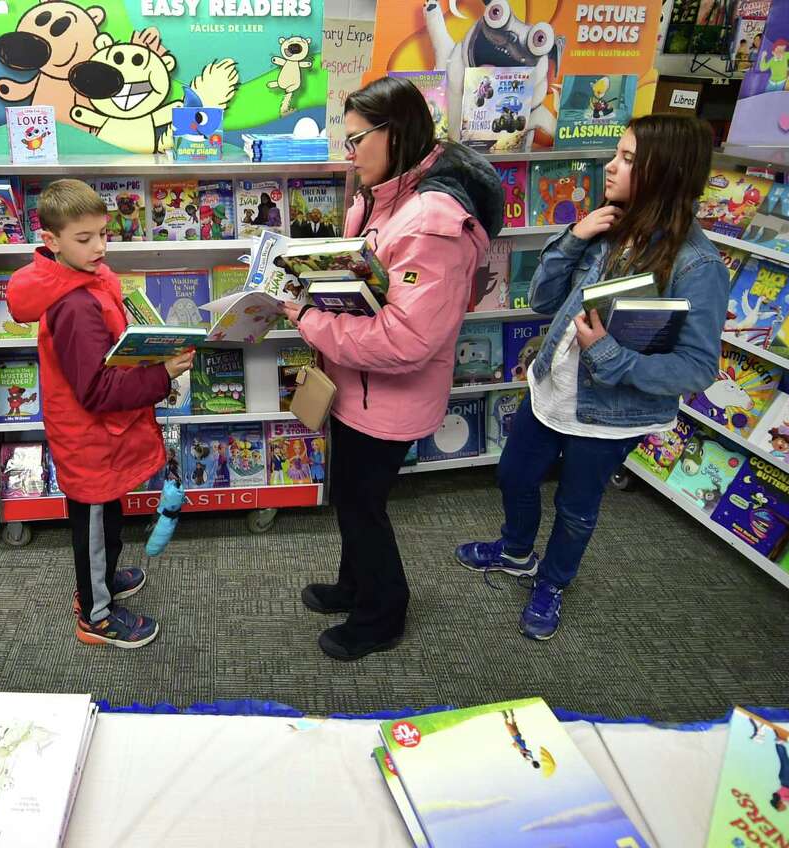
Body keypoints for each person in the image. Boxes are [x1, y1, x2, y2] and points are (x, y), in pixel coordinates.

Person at [455, 114, 728, 641]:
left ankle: (553, 583)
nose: (610, 166)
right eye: (616, 154)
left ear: (664, 171)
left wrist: (607, 355)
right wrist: (574, 237)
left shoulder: (698, 266)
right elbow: (540, 299)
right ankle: (515, 553)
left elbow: (697, 367)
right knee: (514, 475)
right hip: (549, 392)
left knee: (576, 508)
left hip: (609, 417)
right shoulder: (608, 225)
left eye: (627, 159)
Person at [282, 76, 503, 661]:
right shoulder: (383, 195)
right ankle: (355, 587)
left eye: (357, 140)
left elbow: (405, 340)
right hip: (356, 387)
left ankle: (383, 613)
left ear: (395, 133)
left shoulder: (432, 221)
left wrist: (306, 316)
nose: (348, 154)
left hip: (387, 397)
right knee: (351, 498)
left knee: (362, 506)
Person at [7, 179, 194, 649]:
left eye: (103, 235)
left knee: (107, 523)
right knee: (93, 530)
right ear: (51, 242)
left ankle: (102, 578)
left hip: (102, 435)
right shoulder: (73, 304)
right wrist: (164, 372)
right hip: (89, 437)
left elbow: (103, 362)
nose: (99, 247)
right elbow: (95, 389)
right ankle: (96, 613)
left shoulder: (86, 282)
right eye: (84, 239)